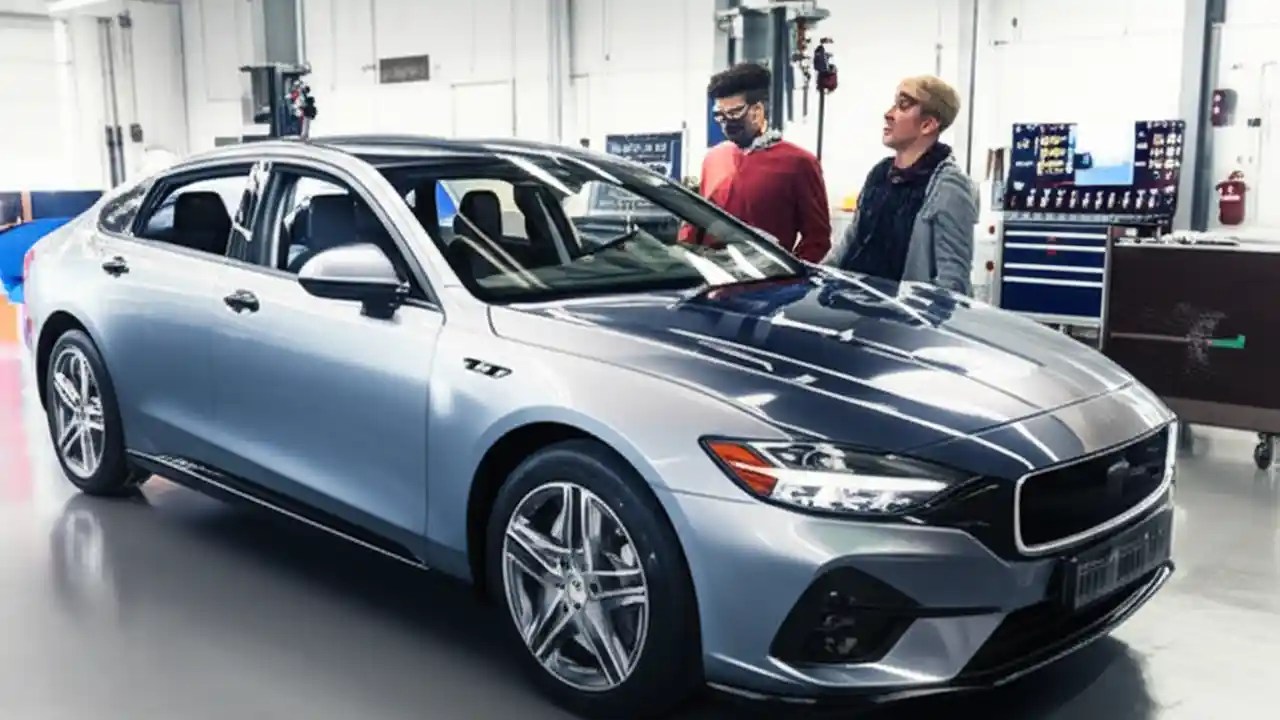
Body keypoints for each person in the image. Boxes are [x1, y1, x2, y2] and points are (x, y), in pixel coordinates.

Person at [824, 75, 978, 295]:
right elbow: (850, 243)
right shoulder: (880, 174)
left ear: (928, 124)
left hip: (902, 320)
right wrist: (815, 280)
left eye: (903, 105)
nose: (888, 114)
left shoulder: (949, 186)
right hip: (855, 308)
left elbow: (953, 283)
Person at [682, 63, 831, 263]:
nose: (726, 121)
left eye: (734, 113)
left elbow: (817, 238)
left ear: (758, 110)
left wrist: (787, 276)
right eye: (719, 115)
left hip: (765, 284)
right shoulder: (714, 159)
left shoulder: (799, 164)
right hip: (712, 278)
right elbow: (695, 223)